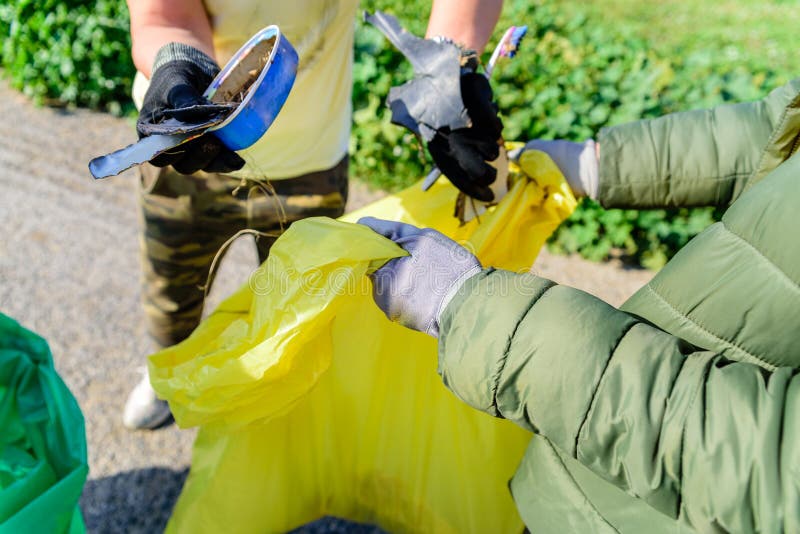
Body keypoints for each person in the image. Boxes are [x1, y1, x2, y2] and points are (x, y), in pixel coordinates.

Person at [358, 76, 800, 532]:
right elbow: (779, 131)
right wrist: (590, 165)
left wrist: (476, 312)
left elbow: (766, 465)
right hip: (594, 466)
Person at [122, 0, 504, 429]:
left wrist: (446, 68)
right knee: (172, 289)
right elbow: (164, 16)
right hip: (185, 154)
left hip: (312, 164)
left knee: (298, 310)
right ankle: (167, 374)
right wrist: (178, 66)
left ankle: (282, 406)